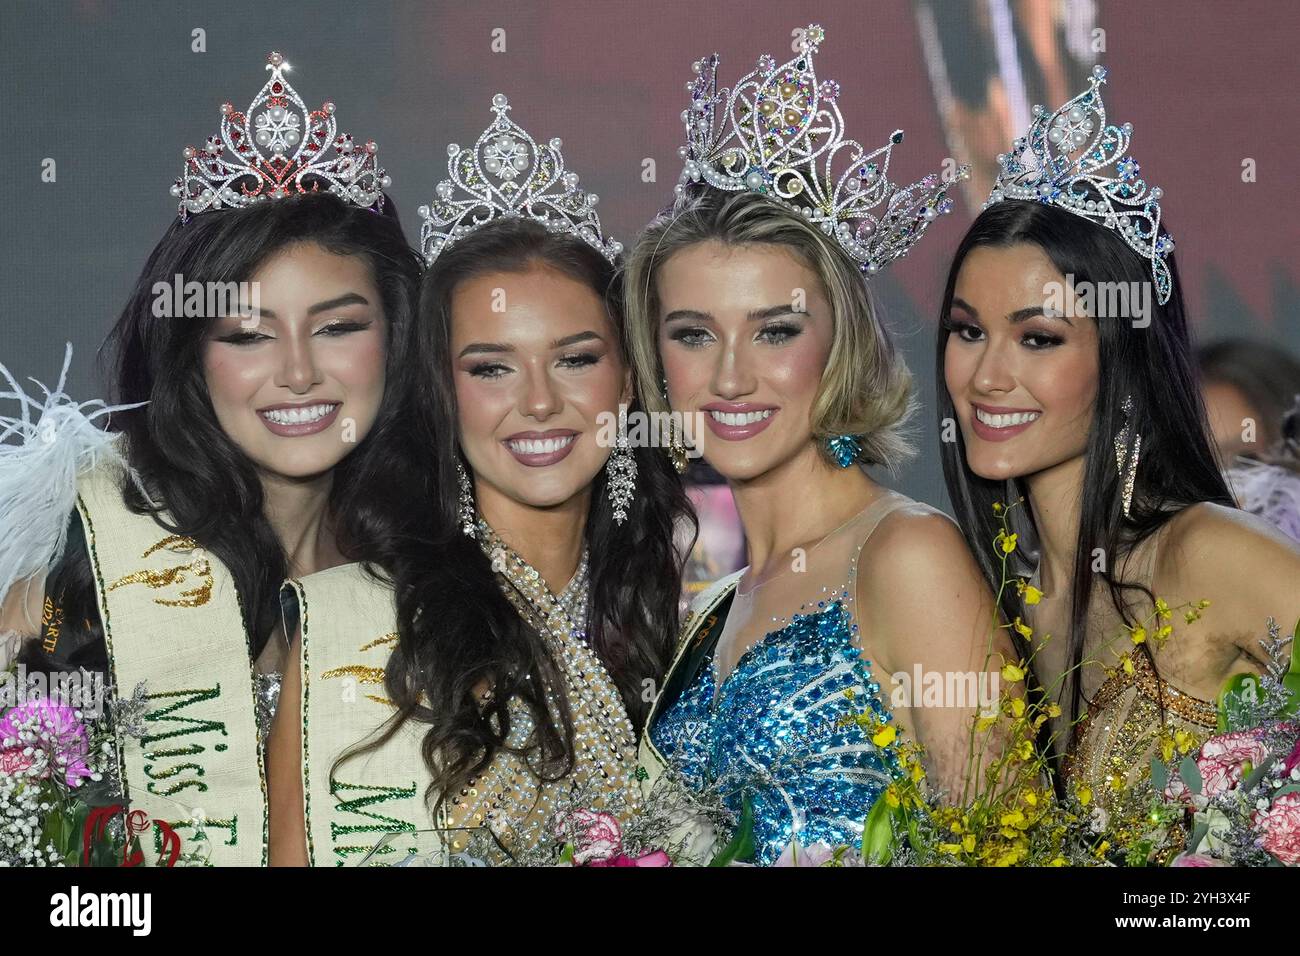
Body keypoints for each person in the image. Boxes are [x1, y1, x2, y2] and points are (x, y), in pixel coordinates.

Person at [0, 52, 421, 865]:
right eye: (248, 336)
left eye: (337, 327)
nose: (298, 372)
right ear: (192, 358)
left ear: (396, 340)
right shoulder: (85, 570)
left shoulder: (432, 568)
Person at [267, 94, 693, 865]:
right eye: (491, 367)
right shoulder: (364, 628)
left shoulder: (670, 618)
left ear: (627, 382)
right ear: (442, 390)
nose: (537, 401)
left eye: (575, 359)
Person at [623, 25, 1009, 866]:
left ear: (844, 347)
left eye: (776, 331)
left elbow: (1009, 849)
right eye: (692, 334)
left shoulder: (906, 555)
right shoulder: (715, 605)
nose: (730, 377)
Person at [935, 65, 1300, 852]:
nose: (987, 374)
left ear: (1122, 361)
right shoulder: (991, 603)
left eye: (1038, 338)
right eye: (968, 331)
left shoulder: (1206, 554)